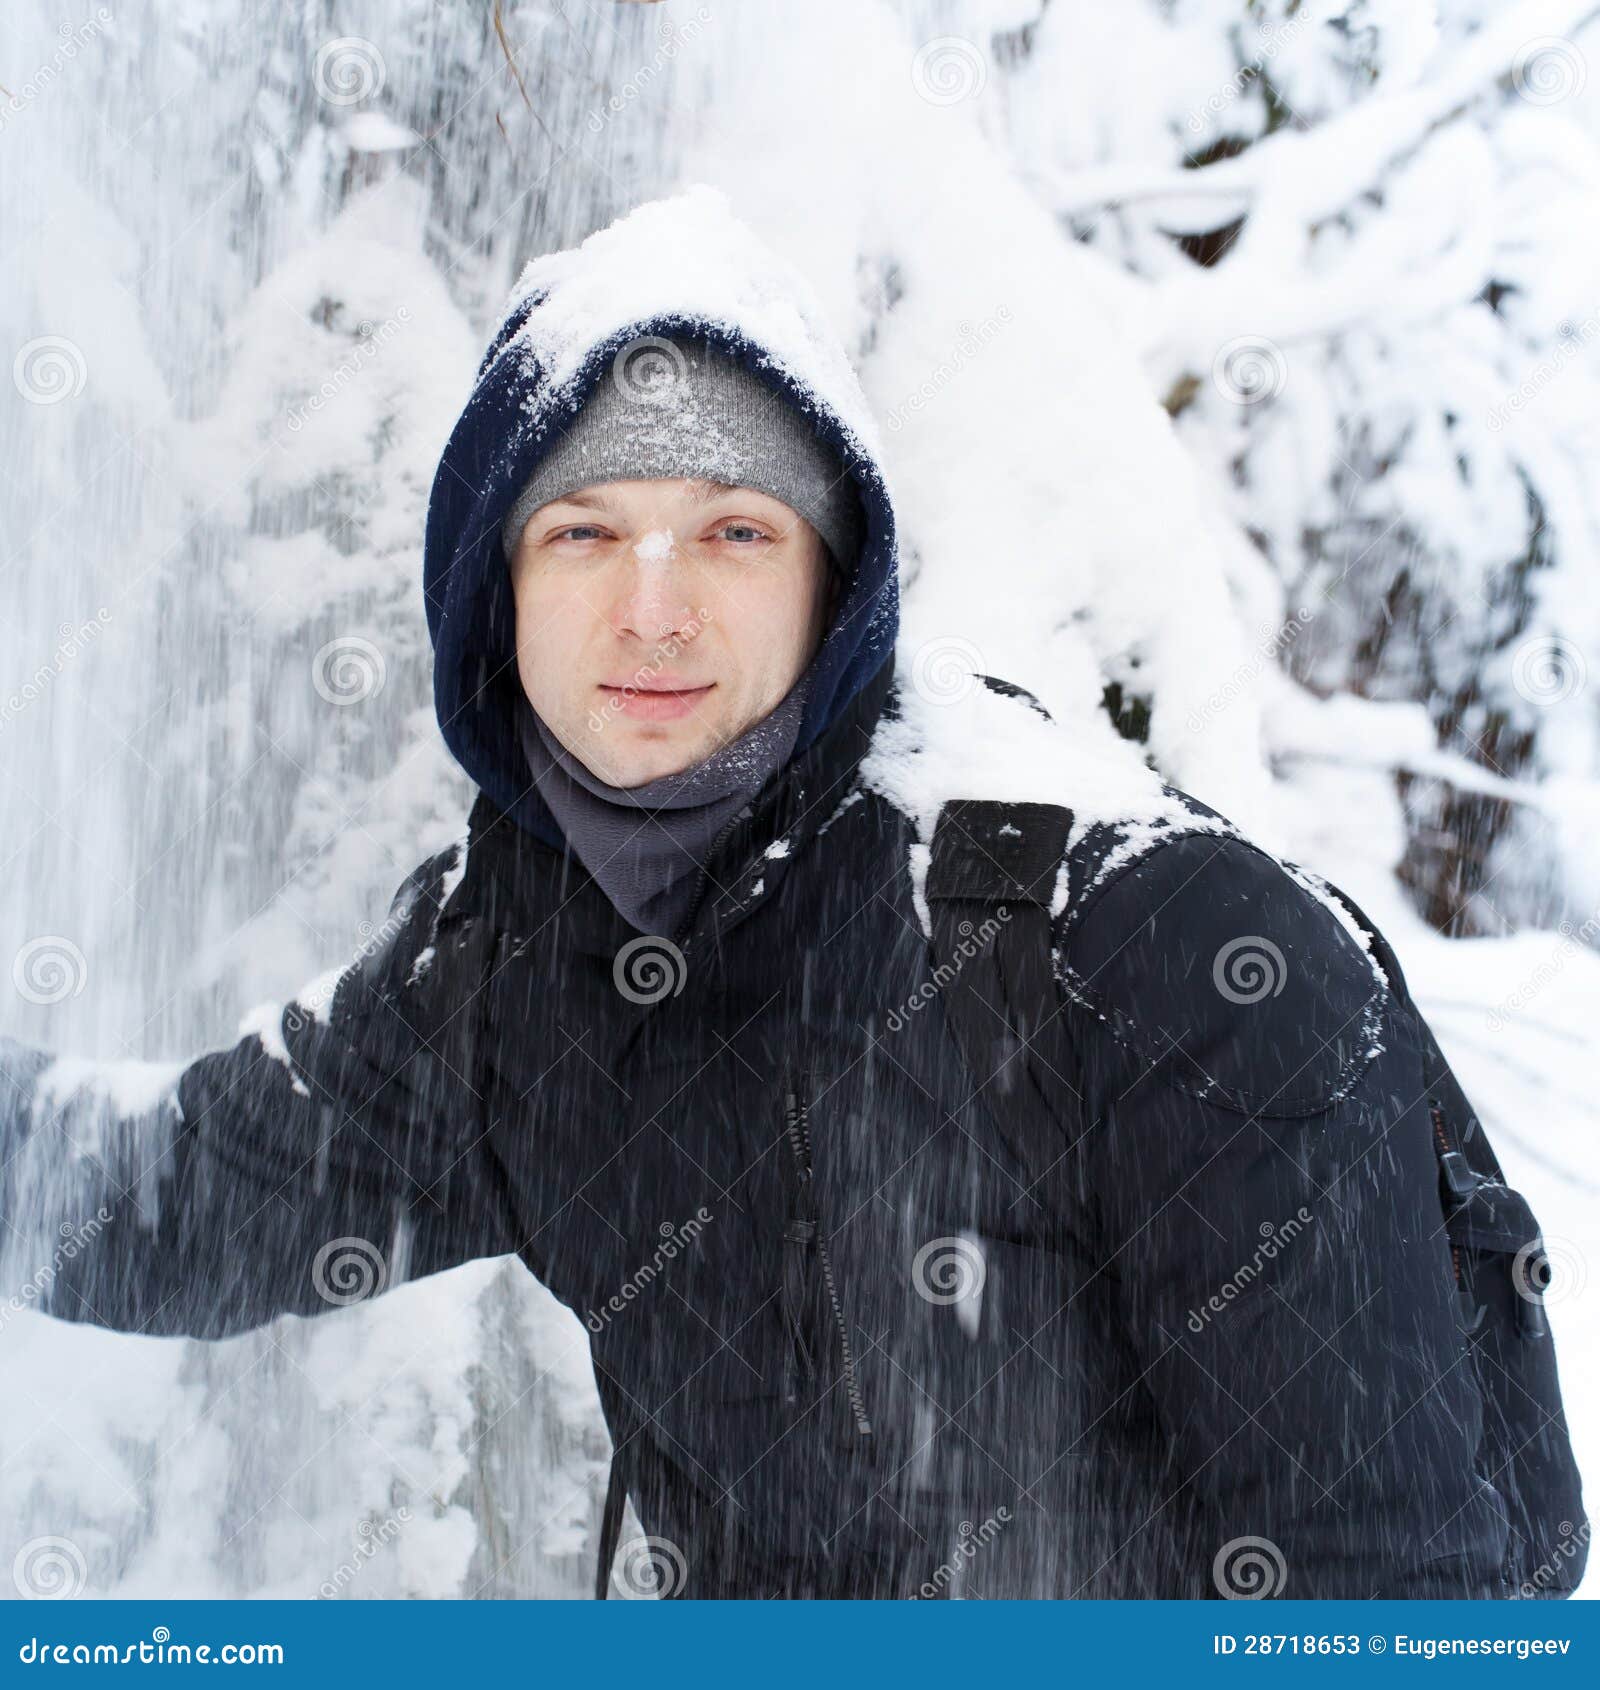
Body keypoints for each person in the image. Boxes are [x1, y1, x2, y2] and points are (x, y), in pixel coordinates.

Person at [1, 186, 1586, 1601]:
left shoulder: (1142, 942)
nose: (653, 605)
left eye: (735, 532)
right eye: (585, 531)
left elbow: (1393, 1612)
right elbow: (160, 1212)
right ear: (496, 587)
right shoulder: (508, 961)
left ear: (838, 585)